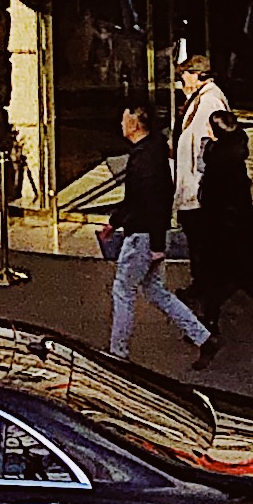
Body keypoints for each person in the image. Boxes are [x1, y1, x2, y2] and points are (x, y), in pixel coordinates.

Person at [101, 104, 219, 369]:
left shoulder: (144, 159)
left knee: (124, 291)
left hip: (142, 237)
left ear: (134, 125)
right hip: (150, 235)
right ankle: (203, 337)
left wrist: (155, 244)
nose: (121, 125)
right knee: (156, 291)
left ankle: (117, 354)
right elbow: (141, 200)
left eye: (124, 119)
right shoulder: (151, 152)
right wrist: (115, 223)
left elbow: (150, 201)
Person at [191, 108, 253, 340]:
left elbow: (219, 199)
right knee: (222, 280)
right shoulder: (226, 155)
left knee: (231, 279)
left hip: (227, 233)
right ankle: (209, 325)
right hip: (227, 231)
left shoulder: (224, 163)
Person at [172, 53, 231, 301]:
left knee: (202, 242)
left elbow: (208, 145)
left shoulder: (210, 103)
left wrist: (201, 184)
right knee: (198, 241)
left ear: (198, 75)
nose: (181, 79)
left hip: (199, 189)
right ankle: (203, 285)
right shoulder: (201, 99)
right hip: (194, 186)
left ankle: (205, 288)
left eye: (184, 74)